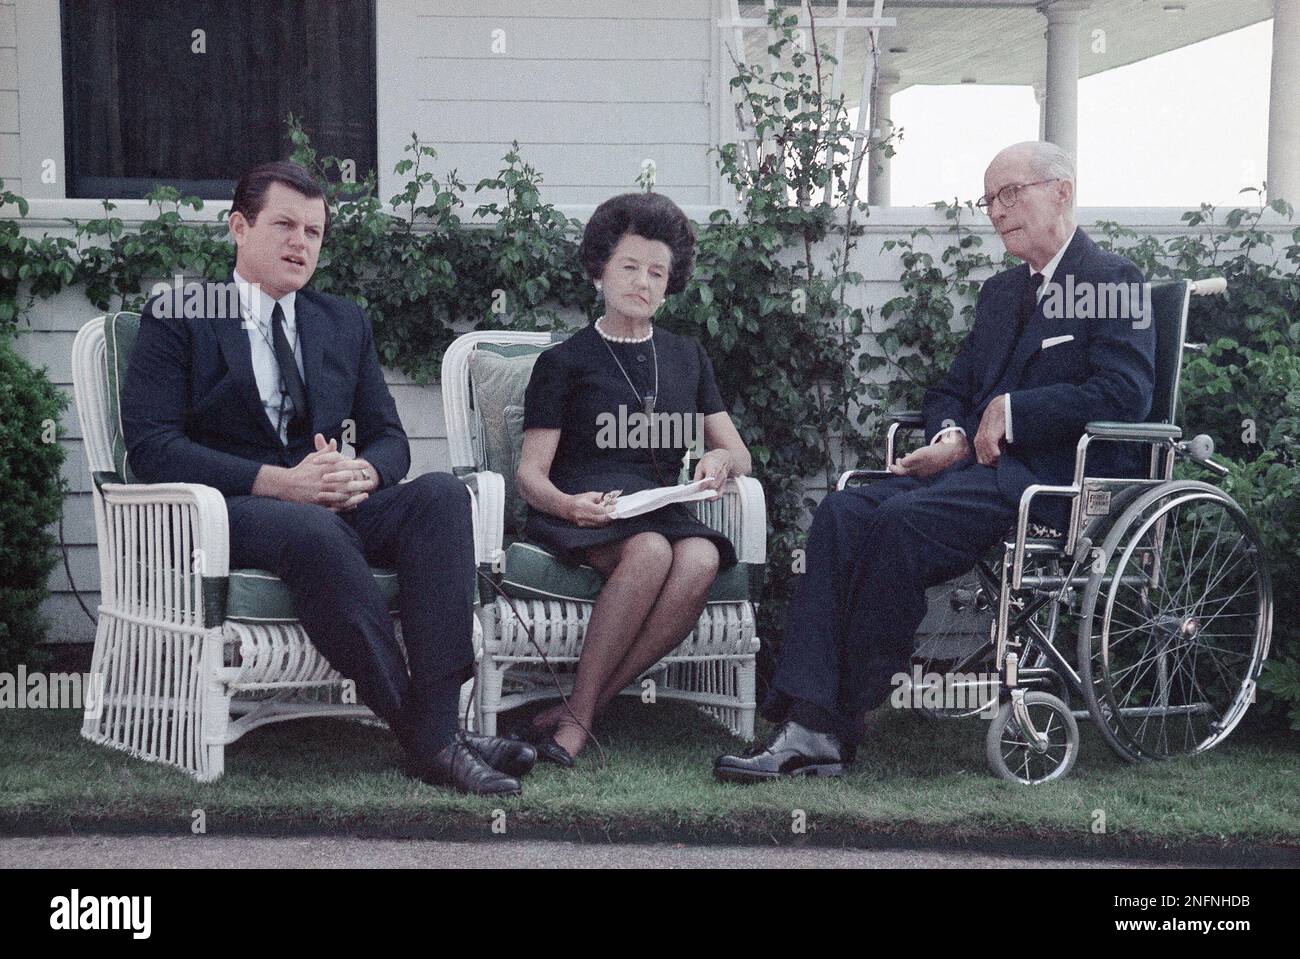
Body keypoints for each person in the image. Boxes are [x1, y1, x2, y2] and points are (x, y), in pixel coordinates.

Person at [715, 141, 1156, 782]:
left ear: (1061, 191)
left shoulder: (1111, 281)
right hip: (972, 474)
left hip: (1051, 483)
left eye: (1011, 194)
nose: (998, 212)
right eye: (989, 201)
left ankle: (835, 720)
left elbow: (1126, 393)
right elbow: (951, 389)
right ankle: (809, 718)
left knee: (898, 526)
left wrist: (1019, 410)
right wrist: (951, 433)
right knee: (841, 511)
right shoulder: (1003, 294)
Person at [120, 160, 535, 795]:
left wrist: (364, 471)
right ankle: (433, 740)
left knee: (442, 498)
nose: (301, 243)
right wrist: (277, 482)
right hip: (230, 509)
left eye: (314, 232)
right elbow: (153, 448)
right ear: (238, 226)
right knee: (314, 530)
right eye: (284, 224)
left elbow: (389, 436)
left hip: (330, 501)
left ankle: (440, 724)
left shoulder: (340, 320)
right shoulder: (180, 312)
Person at [510, 192, 753, 765]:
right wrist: (569, 506)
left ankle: (580, 708)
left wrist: (719, 461)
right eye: (629, 266)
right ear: (599, 271)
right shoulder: (564, 363)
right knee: (647, 551)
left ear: (670, 284)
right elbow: (529, 474)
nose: (642, 282)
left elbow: (737, 452)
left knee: (699, 558)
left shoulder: (686, 357)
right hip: (587, 509)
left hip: (660, 505)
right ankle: (579, 719)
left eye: (657, 272)